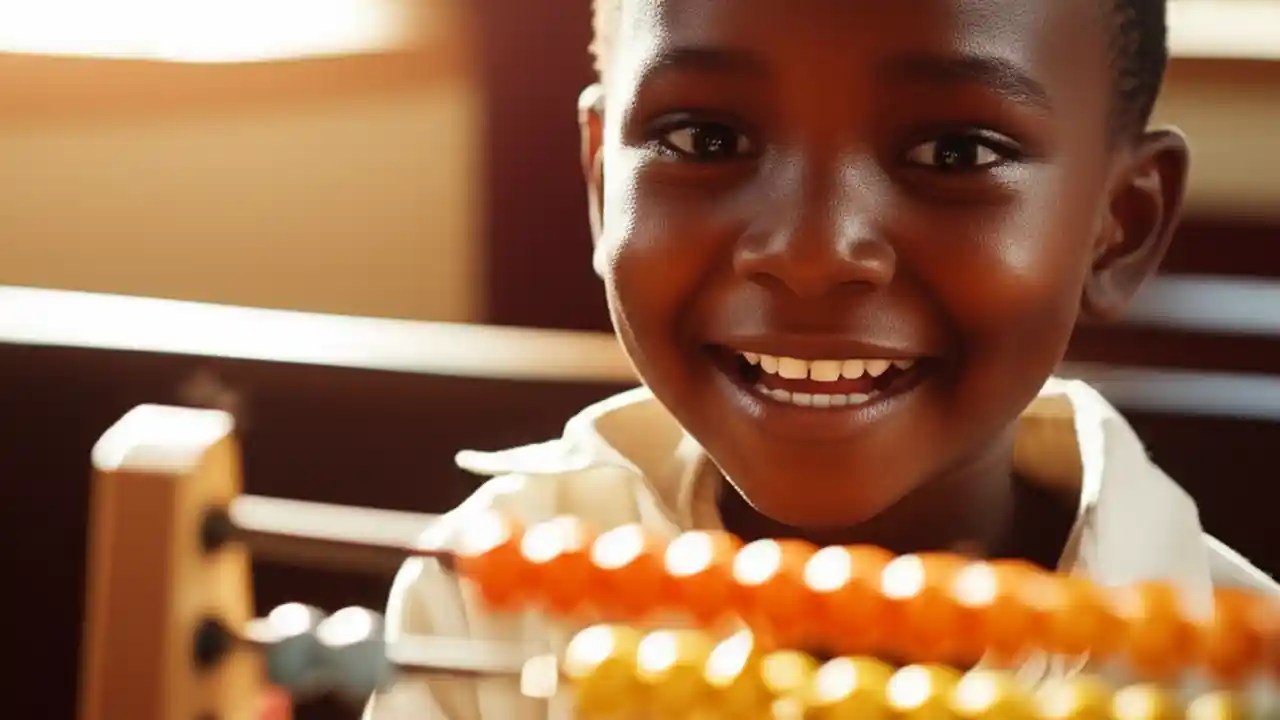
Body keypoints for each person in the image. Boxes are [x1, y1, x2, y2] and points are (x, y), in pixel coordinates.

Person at [365, 0, 1279, 717]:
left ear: (1119, 228)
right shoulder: (484, 603)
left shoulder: (1242, 672)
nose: (811, 251)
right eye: (705, 139)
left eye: (954, 152)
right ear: (605, 183)